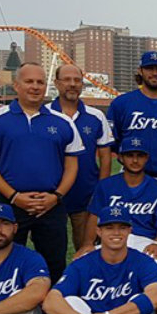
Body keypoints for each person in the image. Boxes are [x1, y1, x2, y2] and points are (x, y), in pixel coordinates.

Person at [0, 62, 81, 314]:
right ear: (16, 85)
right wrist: (14, 197)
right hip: (9, 206)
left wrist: (55, 196)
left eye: (40, 82)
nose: (35, 87)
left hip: (51, 204)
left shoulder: (63, 122)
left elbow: (72, 167)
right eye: (29, 82)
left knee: (54, 263)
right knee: (6, 262)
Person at [51, 63, 114, 258]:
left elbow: (105, 156)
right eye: (67, 80)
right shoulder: (44, 114)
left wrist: (101, 189)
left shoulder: (96, 116)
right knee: (53, 249)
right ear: (57, 83)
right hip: (52, 195)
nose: (72, 84)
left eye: (77, 80)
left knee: (86, 248)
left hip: (85, 193)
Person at [105, 51, 157, 188]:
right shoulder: (121, 104)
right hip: (129, 176)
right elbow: (112, 141)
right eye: (149, 68)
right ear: (140, 71)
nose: (155, 73)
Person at [84, 137, 157, 257]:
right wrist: (88, 243)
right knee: (84, 260)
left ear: (146, 158)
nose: (135, 160)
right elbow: (94, 216)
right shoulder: (106, 185)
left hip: (144, 241)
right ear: (120, 158)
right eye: (130, 155)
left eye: (140, 155)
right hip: (111, 239)